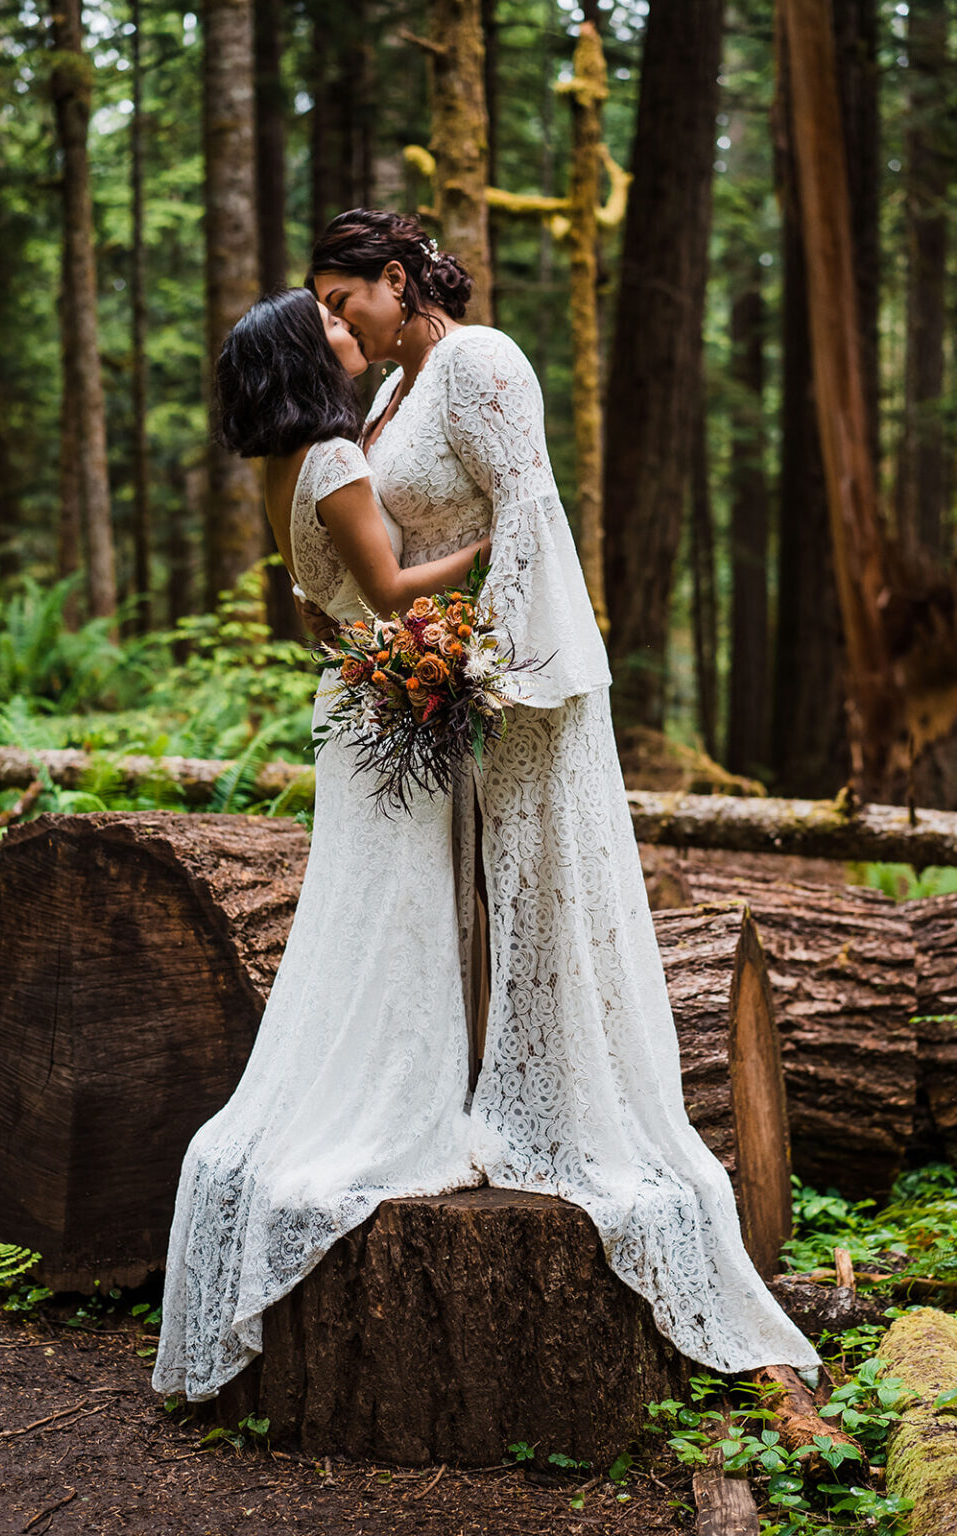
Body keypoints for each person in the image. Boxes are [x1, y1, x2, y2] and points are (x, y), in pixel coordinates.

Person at [309, 208, 821, 1378]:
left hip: (515, 683)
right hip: (439, 685)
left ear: (397, 279)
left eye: (345, 301)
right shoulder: (387, 398)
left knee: (533, 894)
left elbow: (528, 516)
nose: (336, 325)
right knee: (456, 909)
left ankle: (557, 1117)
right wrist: (409, 662)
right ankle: (462, 1110)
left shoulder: (479, 362)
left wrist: (494, 672)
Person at [152, 288, 490, 1402]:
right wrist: (489, 547)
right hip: (379, 701)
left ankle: (398, 1081)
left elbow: (323, 598)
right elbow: (386, 589)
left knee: (369, 906)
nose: (350, 330)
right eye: (331, 323)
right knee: (395, 907)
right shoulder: (336, 457)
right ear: (307, 355)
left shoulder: (280, 465)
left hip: (349, 697)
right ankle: (394, 1103)